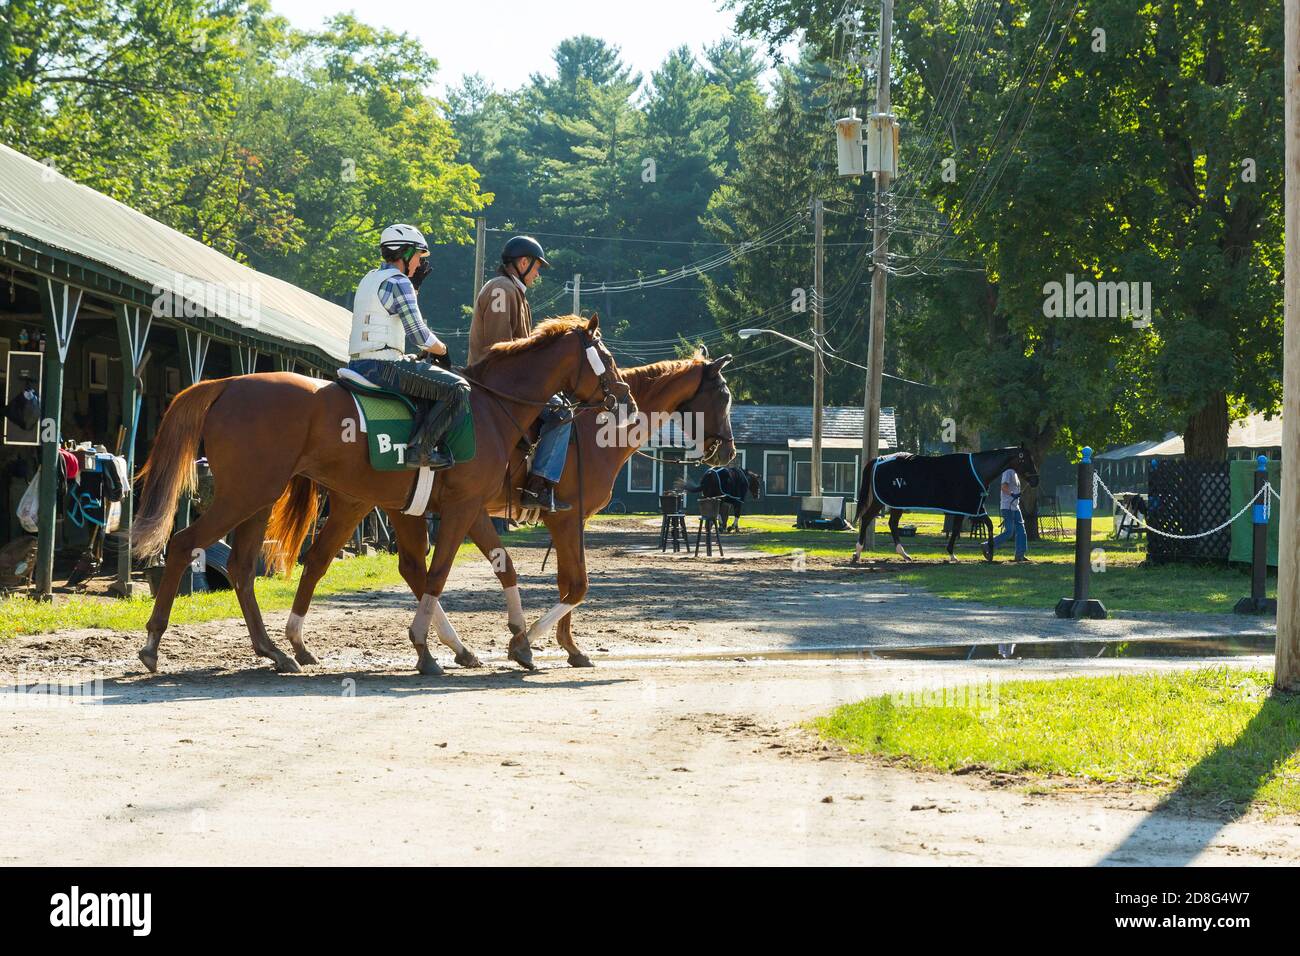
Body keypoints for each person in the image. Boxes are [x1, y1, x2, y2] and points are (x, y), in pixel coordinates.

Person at [346, 223, 466, 470]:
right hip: (383, 367)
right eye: (419, 257)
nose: (420, 264)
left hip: (357, 364)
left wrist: (416, 289)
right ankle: (421, 451)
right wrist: (443, 350)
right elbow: (419, 335)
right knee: (458, 389)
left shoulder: (370, 278)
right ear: (406, 253)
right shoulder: (400, 282)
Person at [468, 235, 572, 512]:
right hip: (494, 384)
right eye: (537, 267)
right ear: (523, 263)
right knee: (561, 414)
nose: (537, 275)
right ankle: (539, 485)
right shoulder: (502, 289)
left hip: (506, 382)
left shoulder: (515, 293)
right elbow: (500, 349)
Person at [984, 465, 1028, 562]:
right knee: (1009, 532)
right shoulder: (1008, 471)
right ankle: (987, 545)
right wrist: (1012, 494)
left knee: (1021, 531)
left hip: (1015, 507)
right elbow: (1004, 487)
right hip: (1007, 506)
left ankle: (1020, 555)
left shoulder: (1015, 473)